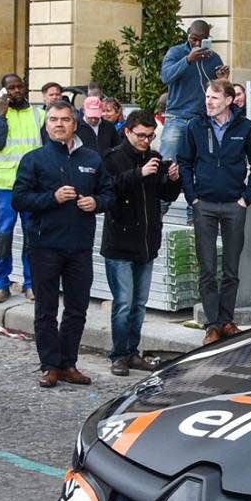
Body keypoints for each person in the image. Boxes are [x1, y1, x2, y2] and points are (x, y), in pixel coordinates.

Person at [13, 101, 114, 385]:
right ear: (46, 125)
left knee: (77, 308)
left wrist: (96, 202)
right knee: (46, 309)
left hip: (80, 246)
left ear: (75, 123)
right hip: (44, 245)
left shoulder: (92, 159)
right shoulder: (34, 159)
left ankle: (69, 363)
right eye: (54, 119)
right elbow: (19, 199)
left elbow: (109, 194)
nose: (59, 124)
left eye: (65, 119)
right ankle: (49, 365)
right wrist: (52, 198)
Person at [180, 78, 251, 332]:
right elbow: (184, 162)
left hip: (234, 204)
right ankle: (212, 324)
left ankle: (227, 320)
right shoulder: (195, 126)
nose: (208, 101)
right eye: (207, 96)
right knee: (207, 268)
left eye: (214, 97)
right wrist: (192, 197)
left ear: (229, 100)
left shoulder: (246, 128)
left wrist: (246, 198)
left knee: (231, 267)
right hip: (204, 204)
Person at [101, 109, 181, 376]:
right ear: (127, 131)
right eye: (141, 136)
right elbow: (108, 190)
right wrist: (139, 173)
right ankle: (118, 354)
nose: (146, 141)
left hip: (147, 242)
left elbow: (164, 194)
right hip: (120, 242)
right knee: (123, 302)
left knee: (139, 303)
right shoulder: (113, 158)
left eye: (150, 136)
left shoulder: (154, 157)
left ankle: (132, 352)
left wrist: (172, 180)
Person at [0, 72, 44, 304]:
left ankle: (31, 283)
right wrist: (2, 115)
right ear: (4, 91)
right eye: (11, 88)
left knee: (32, 235)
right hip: (4, 186)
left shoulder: (39, 115)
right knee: (3, 236)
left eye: (20, 87)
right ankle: (1, 283)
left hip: (32, 187)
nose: (17, 91)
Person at [160, 19, 224, 157]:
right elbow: (165, 76)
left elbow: (218, 90)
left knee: (201, 163)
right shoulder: (176, 52)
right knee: (169, 161)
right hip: (177, 117)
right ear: (188, 33)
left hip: (201, 119)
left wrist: (222, 79)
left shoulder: (213, 58)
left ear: (208, 38)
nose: (197, 44)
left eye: (202, 40)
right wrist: (188, 60)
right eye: (194, 39)